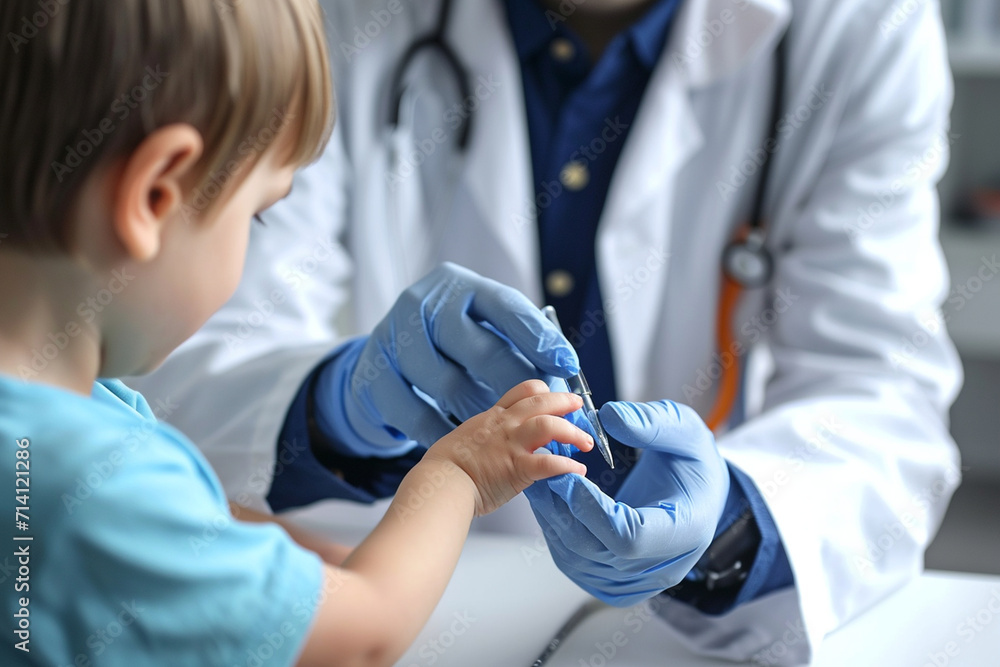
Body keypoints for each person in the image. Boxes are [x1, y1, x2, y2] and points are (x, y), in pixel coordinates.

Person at [130, 0, 963, 663]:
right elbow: (174, 342)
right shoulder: (333, 14)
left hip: (680, 638)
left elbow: (879, 395)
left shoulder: (858, 23)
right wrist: (336, 408)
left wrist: (728, 530)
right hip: (421, 586)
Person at [0, 2, 598, 665]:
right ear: (154, 196)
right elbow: (365, 635)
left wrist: (308, 573)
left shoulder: (83, 412)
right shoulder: (75, 474)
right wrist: (459, 472)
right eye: (255, 216)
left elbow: (198, 527)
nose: (253, 234)